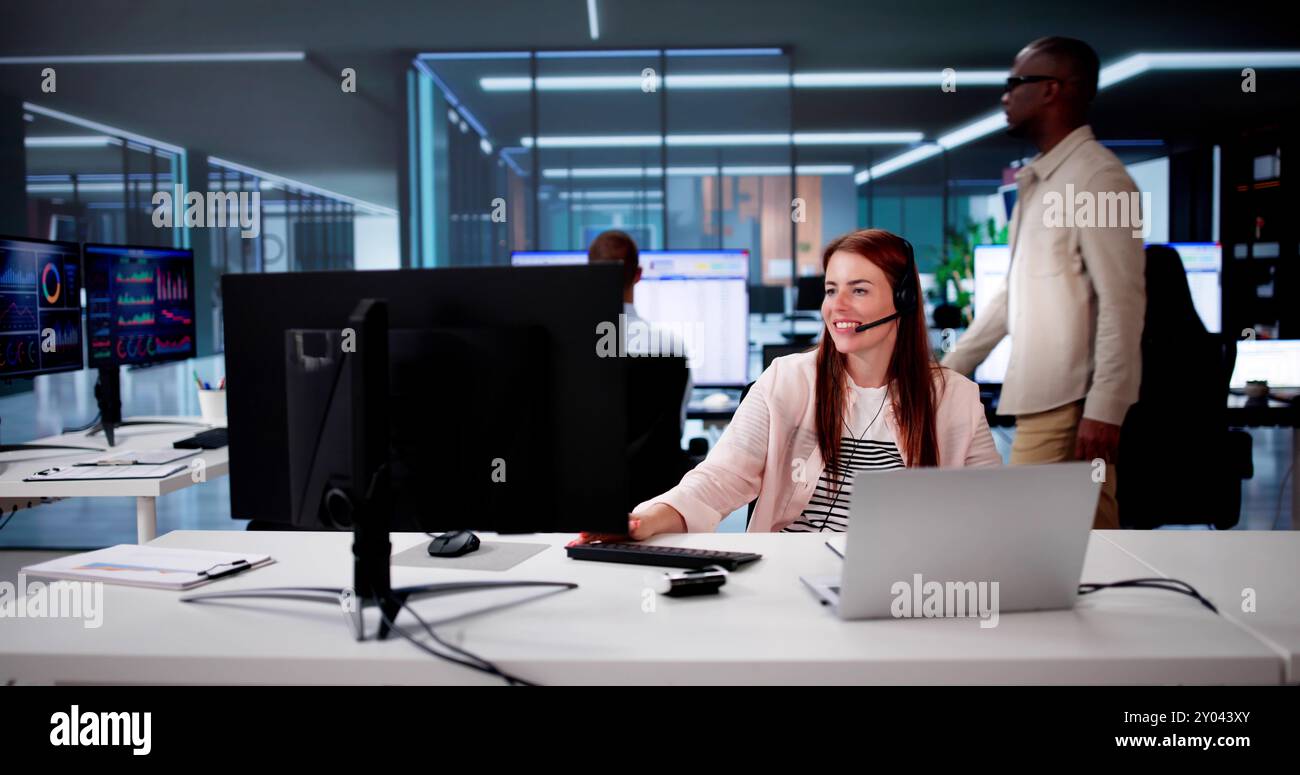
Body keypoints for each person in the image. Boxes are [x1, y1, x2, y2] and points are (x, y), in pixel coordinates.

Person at [579, 228, 1000, 541]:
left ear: (903, 301)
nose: (837, 305)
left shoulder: (955, 400)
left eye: (859, 290)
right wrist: (643, 520)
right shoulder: (787, 380)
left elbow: (992, 514)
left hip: (902, 587)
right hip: (789, 579)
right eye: (831, 289)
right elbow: (720, 478)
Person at [940, 36, 1146, 529]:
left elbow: (1123, 303)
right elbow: (1014, 296)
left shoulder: (1099, 180)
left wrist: (1106, 408)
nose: (1005, 95)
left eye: (1016, 83)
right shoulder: (1043, 181)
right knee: (1080, 546)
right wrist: (950, 370)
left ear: (1053, 89)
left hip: (1071, 403)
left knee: (1039, 543)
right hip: (1044, 398)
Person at [588, 230, 692, 432]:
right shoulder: (671, 347)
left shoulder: (570, 347)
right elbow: (676, 426)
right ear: (638, 274)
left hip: (585, 463)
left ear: (589, 273)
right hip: (656, 464)